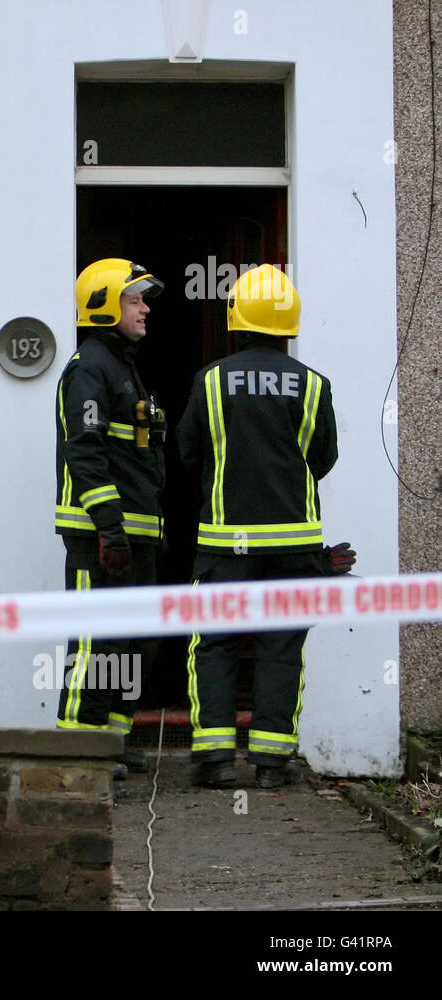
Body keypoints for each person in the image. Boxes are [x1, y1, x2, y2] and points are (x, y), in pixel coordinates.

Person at [177, 265, 339, 789]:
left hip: (226, 545)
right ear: (289, 321)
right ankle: (273, 764)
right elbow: (324, 458)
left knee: (215, 644)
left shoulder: (210, 379)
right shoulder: (313, 384)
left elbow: (187, 452)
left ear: (237, 319)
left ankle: (216, 760)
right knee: (281, 646)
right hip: (296, 546)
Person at [55, 258, 166, 778]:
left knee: (130, 643)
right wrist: (109, 528)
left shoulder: (123, 366)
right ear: (104, 305)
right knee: (94, 640)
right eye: (134, 299)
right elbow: (86, 452)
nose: (145, 308)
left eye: (144, 300)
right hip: (99, 537)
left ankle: (112, 742)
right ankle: (79, 754)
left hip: (134, 537)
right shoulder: (90, 368)